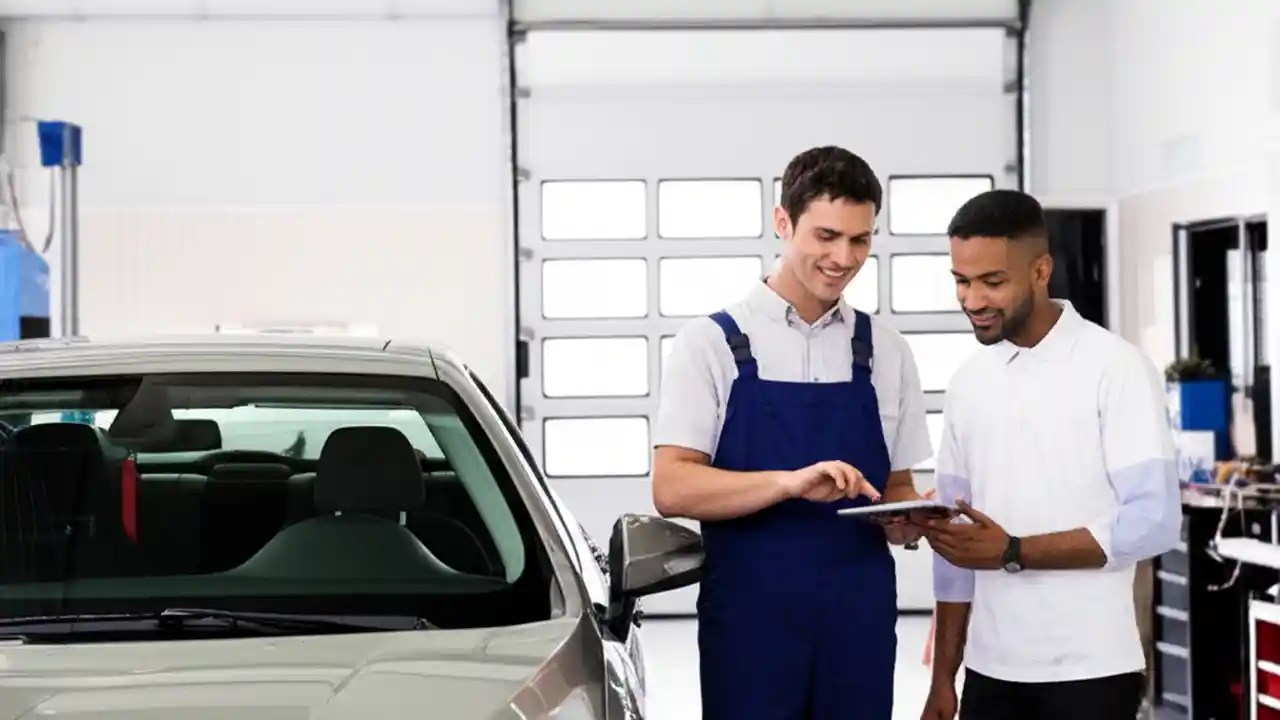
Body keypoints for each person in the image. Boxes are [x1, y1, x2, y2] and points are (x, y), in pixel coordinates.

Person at [653, 145, 935, 720]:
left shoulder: (886, 351)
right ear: (782, 221)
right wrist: (789, 483)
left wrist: (912, 521)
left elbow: (898, 485)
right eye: (826, 235)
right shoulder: (710, 345)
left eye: (860, 239)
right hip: (751, 625)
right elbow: (673, 487)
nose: (844, 257)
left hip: (858, 624)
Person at [918, 189, 1180, 720]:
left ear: (1041, 271)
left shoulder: (1117, 368)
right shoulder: (967, 383)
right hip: (989, 674)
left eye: (993, 282)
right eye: (961, 281)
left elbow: (1154, 521)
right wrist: (943, 678)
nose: (972, 300)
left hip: (1091, 671)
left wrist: (1014, 549)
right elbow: (956, 549)